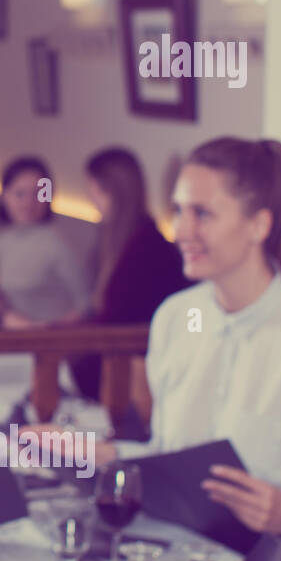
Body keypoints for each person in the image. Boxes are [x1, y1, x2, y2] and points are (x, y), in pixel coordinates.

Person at [32, 137, 281, 561]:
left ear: (258, 224)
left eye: (203, 214)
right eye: (178, 211)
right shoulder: (175, 319)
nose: (180, 231)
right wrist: (101, 453)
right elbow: (175, 459)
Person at [68, 146, 188, 401]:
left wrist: (68, 336)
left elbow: (120, 320)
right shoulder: (119, 241)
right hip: (115, 356)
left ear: (115, 193)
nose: (92, 201)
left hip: (130, 366)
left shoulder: (146, 251)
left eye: (96, 192)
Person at [0, 156, 91, 328]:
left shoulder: (58, 243)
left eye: (37, 194)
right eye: (20, 194)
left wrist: (41, 327)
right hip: (18, 337)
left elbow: (86, 305)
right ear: (4, 196)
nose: (29, 203)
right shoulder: (2, 241)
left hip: (53, 340)